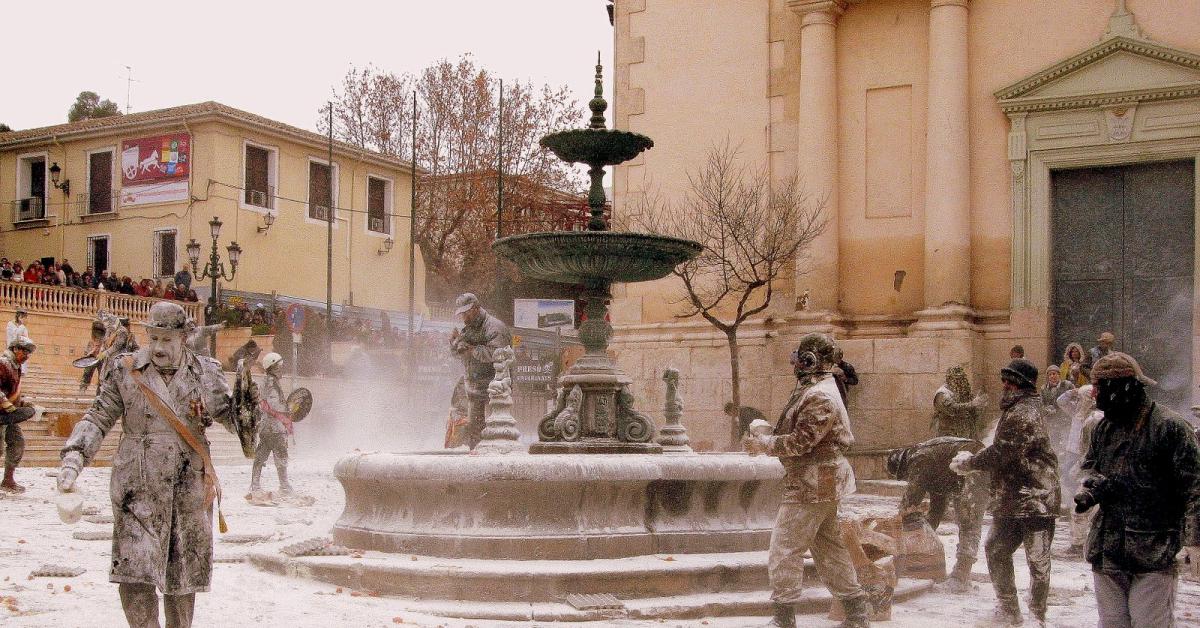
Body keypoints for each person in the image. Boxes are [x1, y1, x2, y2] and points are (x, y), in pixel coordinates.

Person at [58, 301, 248, 628]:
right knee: (134, 575)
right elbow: (98, 417)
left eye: (167, 340)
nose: (158, 347)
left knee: (181, 580)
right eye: (154, 338)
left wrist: (249, 406)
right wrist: (74, 457)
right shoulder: (124, 369)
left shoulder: (205, 373)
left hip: (187, 489)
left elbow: (235, 423)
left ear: (183, 338)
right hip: (137, 488)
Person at [744, 333, 873, 628]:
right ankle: (857, 613)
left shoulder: (820, 395)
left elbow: (803, 442)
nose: (794, 364)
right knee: (828, 547)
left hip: (813, 481)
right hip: (818, 479)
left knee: (784, 548)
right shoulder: (817, 389)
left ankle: (784, 617)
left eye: (799, 358)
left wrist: (764, 443)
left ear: (809, 361)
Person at [1076, 352, 1200, 626]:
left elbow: (1195, 488)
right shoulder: (1103, 428)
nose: (1095, 394)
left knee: (1150, 623)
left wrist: (1194, 540)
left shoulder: (1170, 428)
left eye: (1101, 387)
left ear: (1125, 387)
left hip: (1153, 549)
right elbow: (1088, 467)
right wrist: (1092, 486)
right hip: (1107, 549)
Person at [951, 359, 1060, 626]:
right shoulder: (1017, 408)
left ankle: (1036, 614)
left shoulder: (1024, 412)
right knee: (997, 549)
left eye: (1010, 381)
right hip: (1012, 496)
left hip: (1036, 497)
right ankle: (1009, 608)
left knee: (1037, 560)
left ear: (1022, 385)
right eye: (1004, 380)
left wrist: (969, 463)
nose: (1004, 385)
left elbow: (1003, 451)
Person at [887, 436, 988, 593]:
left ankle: (961, 577)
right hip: (968, 463)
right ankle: (962, 575)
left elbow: (910, 501)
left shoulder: (919, 457)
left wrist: (894, 533)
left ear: (903, 465)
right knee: (967, 520)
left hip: (973, 462)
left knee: (968, 521)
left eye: (906, 476)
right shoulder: (934, 464)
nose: (909, 477)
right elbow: (936, 511)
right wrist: (924, 544)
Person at [448, 293, 511, 450]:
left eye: (466, 312)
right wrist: (455, 343)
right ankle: (475, 455)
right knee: (474, 429)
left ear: (476, 308)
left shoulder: (494, 327)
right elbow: (459, 354)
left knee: (495, 429)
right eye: (461, 313)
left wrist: (471, 349)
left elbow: (497, 354)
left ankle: (496, 458)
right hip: (475, 385)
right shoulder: (469, 328)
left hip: (494, 387)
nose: (463, 317)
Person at [1055, 384, 1102, 560]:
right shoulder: (1084, 415)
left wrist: (1080, 466)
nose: (1079, 402)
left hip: (1094, 470)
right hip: (1087, 465)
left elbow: (1092, 450)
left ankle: (1078, 546)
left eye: (1082, 398)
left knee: (1081, 508)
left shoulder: (1095, 420)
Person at [249, 352, 293, 497]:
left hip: (266, 426)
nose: (282, 368)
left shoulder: (268, 381)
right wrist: (288, 411)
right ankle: (284, 486)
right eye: (279, 366)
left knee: (261, 455)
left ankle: (254, 485)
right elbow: (273, 404)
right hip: (274, 427)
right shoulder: (271, 383)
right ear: (273, 367)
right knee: (281, 455)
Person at [0, 336, 35, 493]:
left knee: (17, 442)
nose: (27, 355)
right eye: (25, 351)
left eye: (28, 352)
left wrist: (21, 404)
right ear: (15, 349)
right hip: (1, 412)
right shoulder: (3, 363)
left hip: (8, 415)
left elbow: (12, 391)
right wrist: (4, 403)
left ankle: (8, 480)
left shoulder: (16, 366)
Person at [931, 366, 987, 440]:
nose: (960, 382)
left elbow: (972, 411)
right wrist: (972, 404)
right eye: (957, 379)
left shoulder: (961, 392)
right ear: (950, 379)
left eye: (962, 378)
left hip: (963, 435)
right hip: (948, 436)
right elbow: (953, 409)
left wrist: (979, 404)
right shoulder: (942, 393)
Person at [1040, 365, 1074, 455]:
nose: (1052, 376)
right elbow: (1041, 403)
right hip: (1051, 421)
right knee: (1053, 443)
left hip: (1065, 419)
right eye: (1050, 374)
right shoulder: (1044, 388)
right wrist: (1047, 409)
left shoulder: (1067, 385)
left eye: (1054, 374)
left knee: (1065, 442)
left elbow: (1074, 398)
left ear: (1059, 375)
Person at [78, 319, 107, 392]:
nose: (98, 333)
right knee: (87, 373)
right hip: (92, 359)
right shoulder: (91, 341)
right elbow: (87, 352)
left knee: (102, 377)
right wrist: (90, 353)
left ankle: (100, 392)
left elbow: (105, 350)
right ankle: (83, 388)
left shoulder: (105, 342)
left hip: (101, 359)